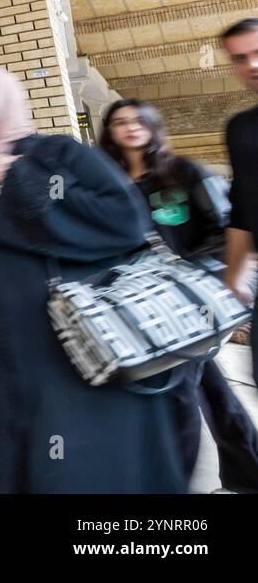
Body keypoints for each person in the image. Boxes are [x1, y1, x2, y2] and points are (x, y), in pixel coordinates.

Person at [0, 66, 184, 492]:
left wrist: (17, 179)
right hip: (5, 356)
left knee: (75, 469)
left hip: (67, 357)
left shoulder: (55, 154)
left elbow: (124, 219)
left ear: (2, 102)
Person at [101, 97, 258, 492]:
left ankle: (174, 481)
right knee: (207, 384)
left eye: (139, 120)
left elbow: (225, 229)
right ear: (109, 132)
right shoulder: (110, 186)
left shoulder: (183, 172)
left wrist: (205, 278)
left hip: (189, 299)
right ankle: (246, 472)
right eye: (120, 121)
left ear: (154, 126)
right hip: (140, 304)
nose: (131, 127)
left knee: (180, 387)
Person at [222, 18, 258, 384]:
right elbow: (242, 207)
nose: (252, 65)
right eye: (241, 58)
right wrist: (234, 277)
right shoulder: (241, 129)